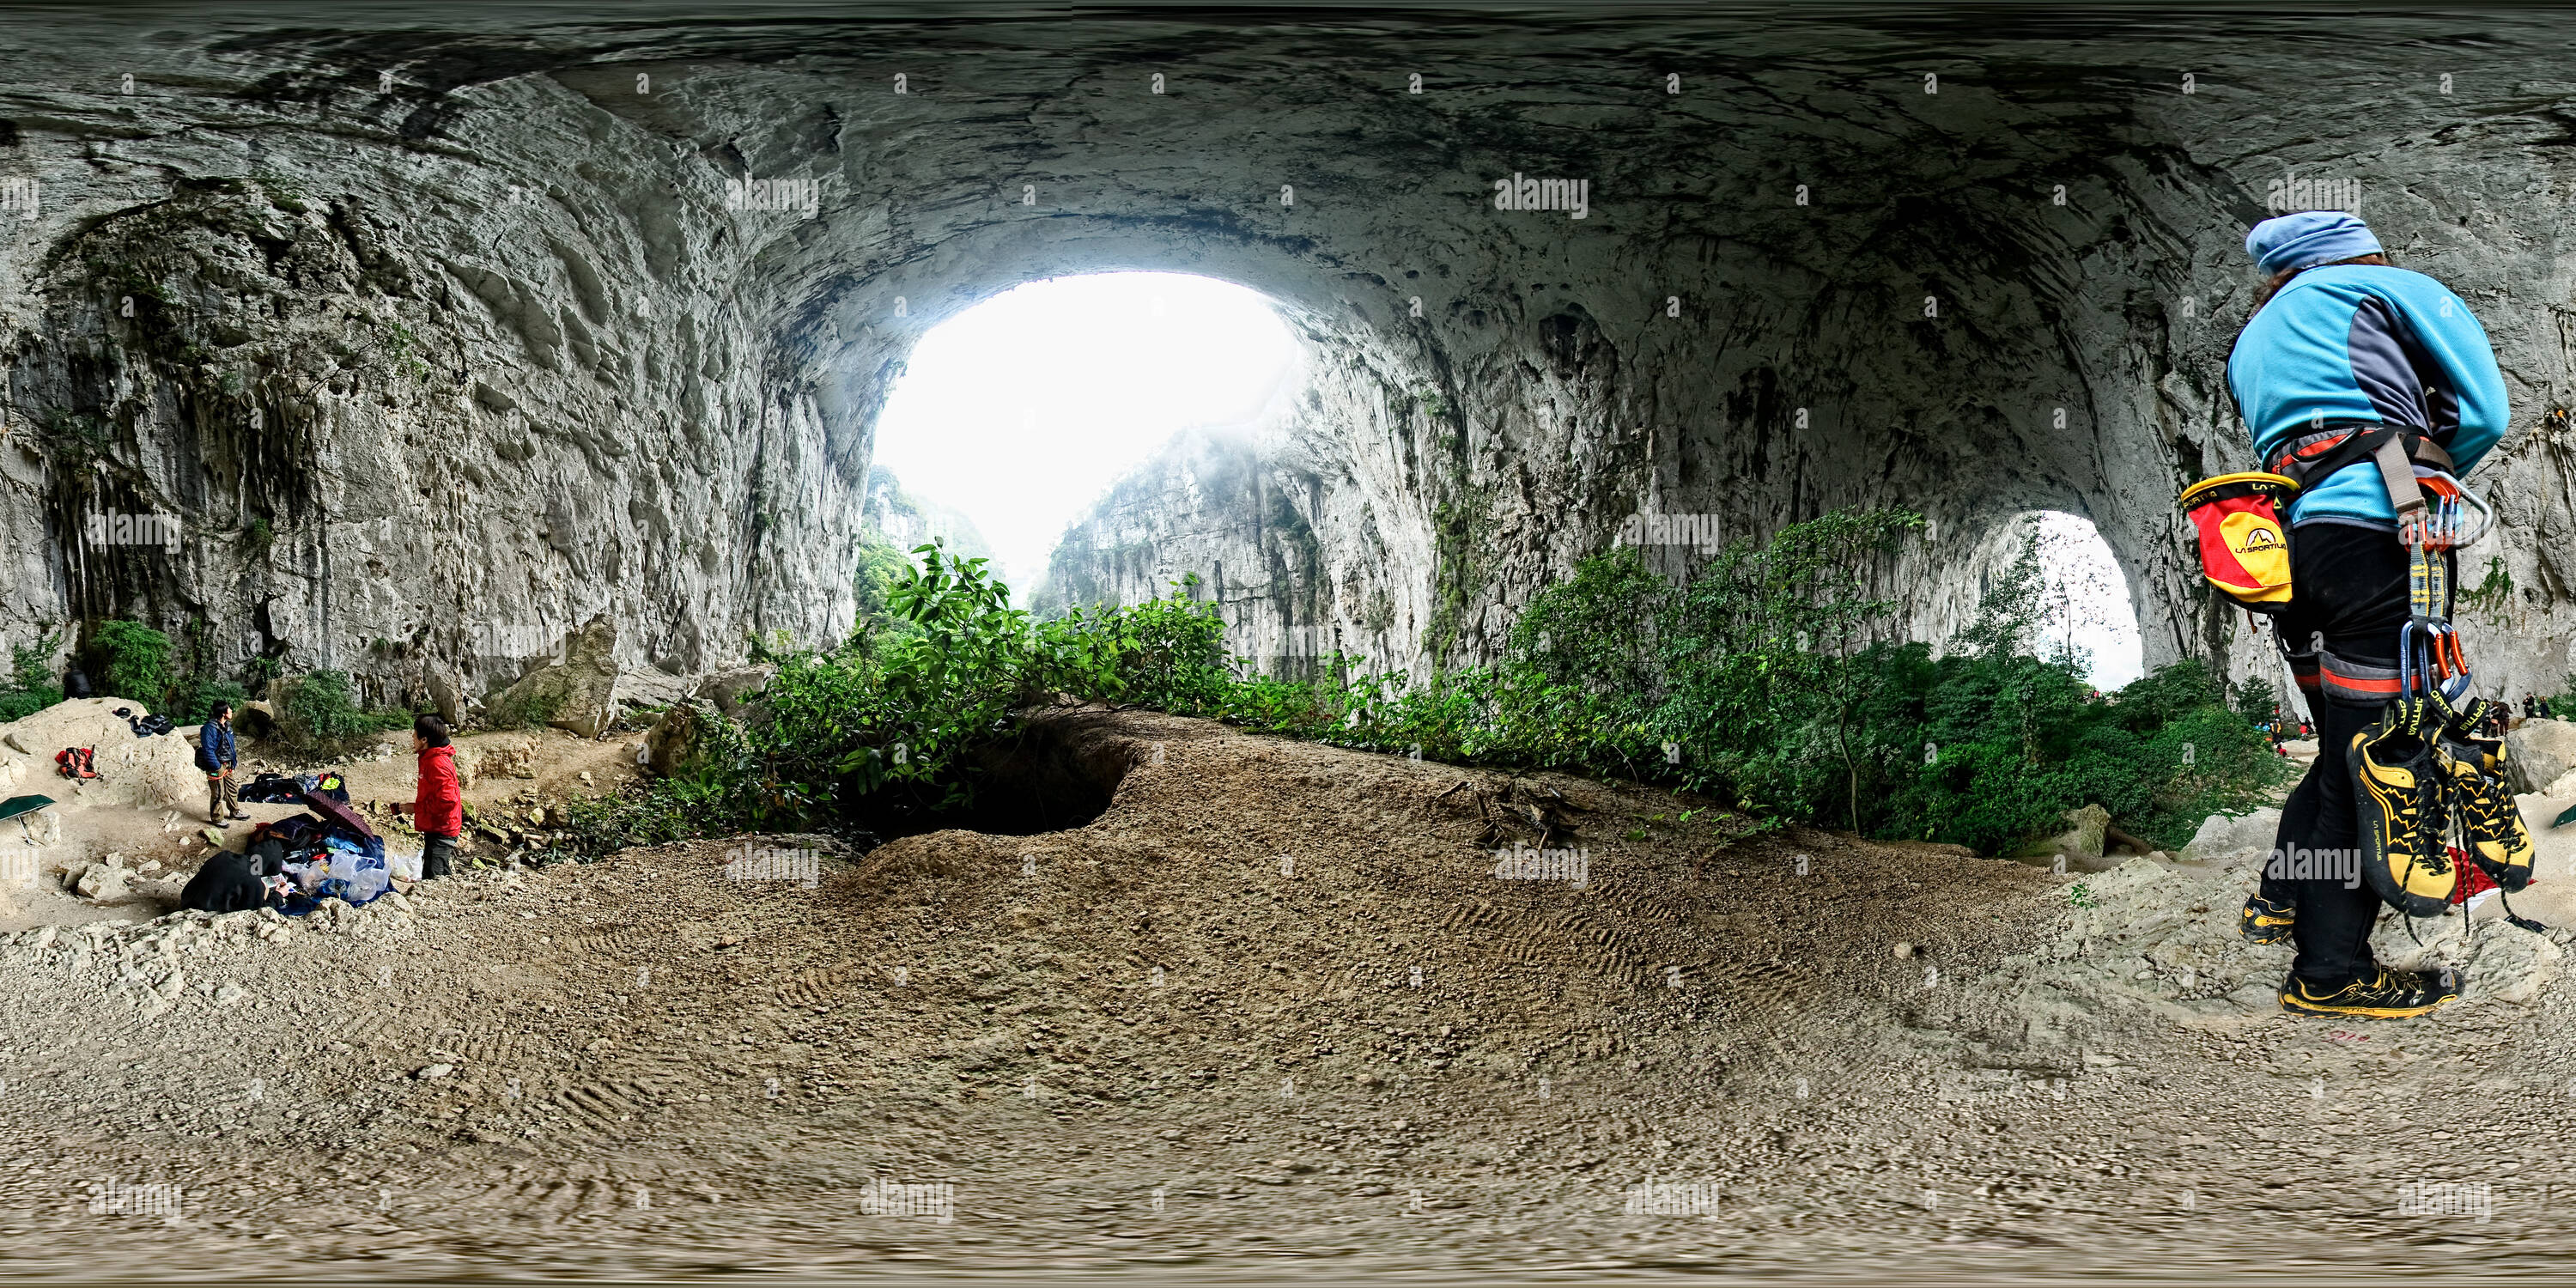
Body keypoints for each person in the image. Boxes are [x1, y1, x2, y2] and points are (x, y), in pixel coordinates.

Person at [2227, 211, 2507, 1020]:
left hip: (2290, 553)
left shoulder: (2249, 343)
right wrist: (2421, 466)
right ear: (2358, 252)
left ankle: (2282, 897)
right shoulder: (2387, 288)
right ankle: (2332, 972)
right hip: (2382, 536)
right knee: (2377, 761)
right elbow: (2484, 411)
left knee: (2336, 747)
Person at [391, 714, 463, 878]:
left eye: (415, 734)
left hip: (443, 828)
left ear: (424, 739)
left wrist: (416, 808)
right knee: (438, 871)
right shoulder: (429, 757)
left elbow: (447, 801)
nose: (412, 737)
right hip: (435, 826)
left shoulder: (437, 763)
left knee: (434, 878)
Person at [194, 701, 249, 827]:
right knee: (218, 793)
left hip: (227, 764)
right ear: (224, 713)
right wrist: (217, 766)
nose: (231, 711)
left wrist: (233, 762)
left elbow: (231, 746)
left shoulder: (227, 726)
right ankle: (217, 818)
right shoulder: (209, 729)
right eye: (229, 709)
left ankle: (235, 811)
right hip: (216, 765)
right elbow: (208, 750)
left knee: (232, 788)